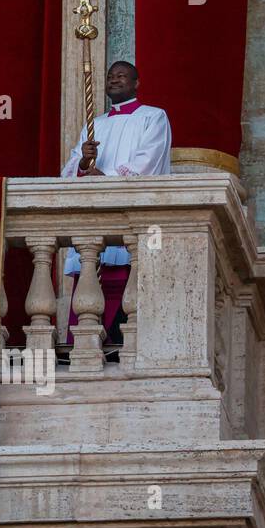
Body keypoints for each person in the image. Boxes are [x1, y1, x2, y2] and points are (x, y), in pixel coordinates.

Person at [60, 61, 173, 352]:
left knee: (122, 295)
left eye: (122, 76)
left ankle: (114, 349)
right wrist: (85, 163)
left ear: (136, 83)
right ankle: (80, 353)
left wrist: (106, 177)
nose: (115, 80)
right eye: (110, 76)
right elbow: (69, 171)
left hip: (127, 223)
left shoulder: (153, 117)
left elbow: (147, 163)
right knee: (86, 297)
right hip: (93, 225)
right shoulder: (94, 123)